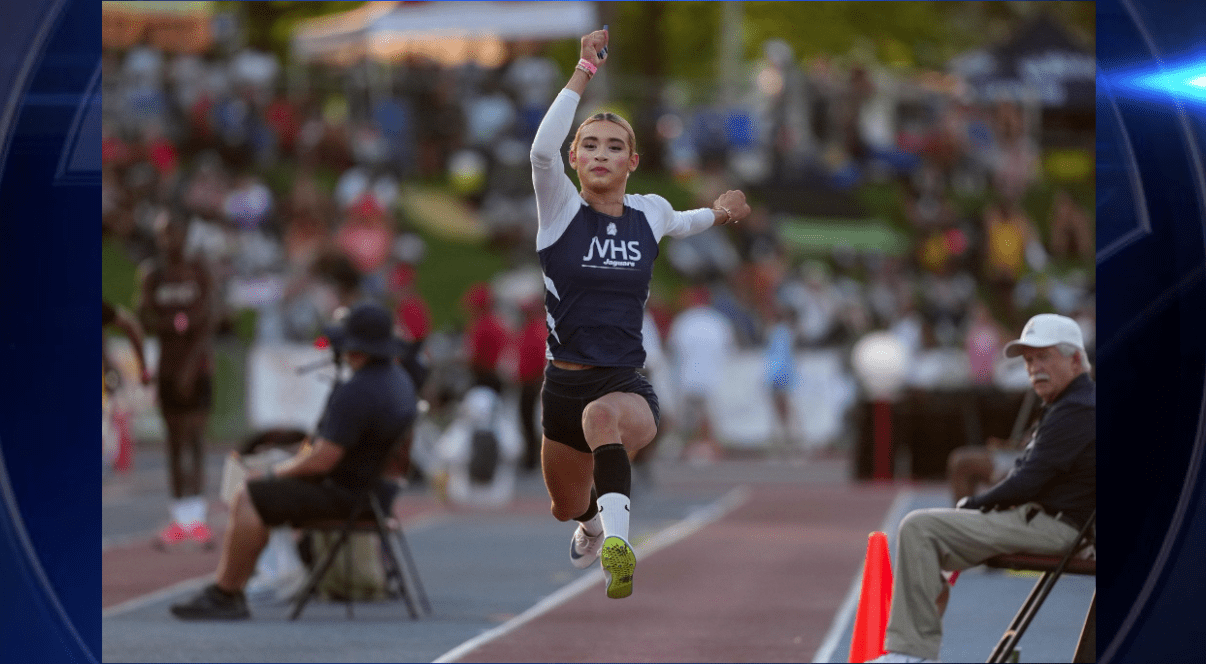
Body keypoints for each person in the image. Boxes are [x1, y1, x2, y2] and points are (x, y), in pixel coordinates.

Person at [530, 28, 750, 599]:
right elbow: (537, 150)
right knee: (563, 505)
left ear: (633, 160)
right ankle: (592, 525)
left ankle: (619, 549)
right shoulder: (557, 211)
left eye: (613, 146)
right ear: (574, 158)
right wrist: (584, 67)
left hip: (624, 383)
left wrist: (721, 212)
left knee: (603, 418)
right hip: (563, 384)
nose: (601, 154)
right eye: (590, 145)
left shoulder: (649, 213)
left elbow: (687, 219)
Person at [169, 302, 419, 620]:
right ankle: (240, 586)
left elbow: (323, 460)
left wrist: (275, 472)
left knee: (250, 496)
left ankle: (227, 592)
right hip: (376, 494)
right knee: (262, 488)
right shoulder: (398, 381)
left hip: (347, 497)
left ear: (355, 348)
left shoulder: (357, 392)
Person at [871, 313, 1095, 663]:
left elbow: (1027, 482)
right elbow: (1030, 477)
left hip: (1058, 528)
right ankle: (915, 642)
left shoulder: (1079, 409)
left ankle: (911, 654)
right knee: (927, 533)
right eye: (1029, 360)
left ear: (1076, 359)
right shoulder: (1071, 405)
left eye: (1044, 357)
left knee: (920, 528)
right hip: (1049, 520)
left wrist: (973, 504)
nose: (1034, 368)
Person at [136, 210, 217, 548]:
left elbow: (211, 318)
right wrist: (164, 325)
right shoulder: (153, 275)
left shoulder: (199, 271)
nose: (170, 240)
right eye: (164, 234)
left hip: (197, 368)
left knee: (195, 439)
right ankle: (178, 518)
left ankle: (197, 519)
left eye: (175, 232)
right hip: (168, 367)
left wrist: (190, 365)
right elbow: (143, 315)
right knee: (173, 442)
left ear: (186, 235)